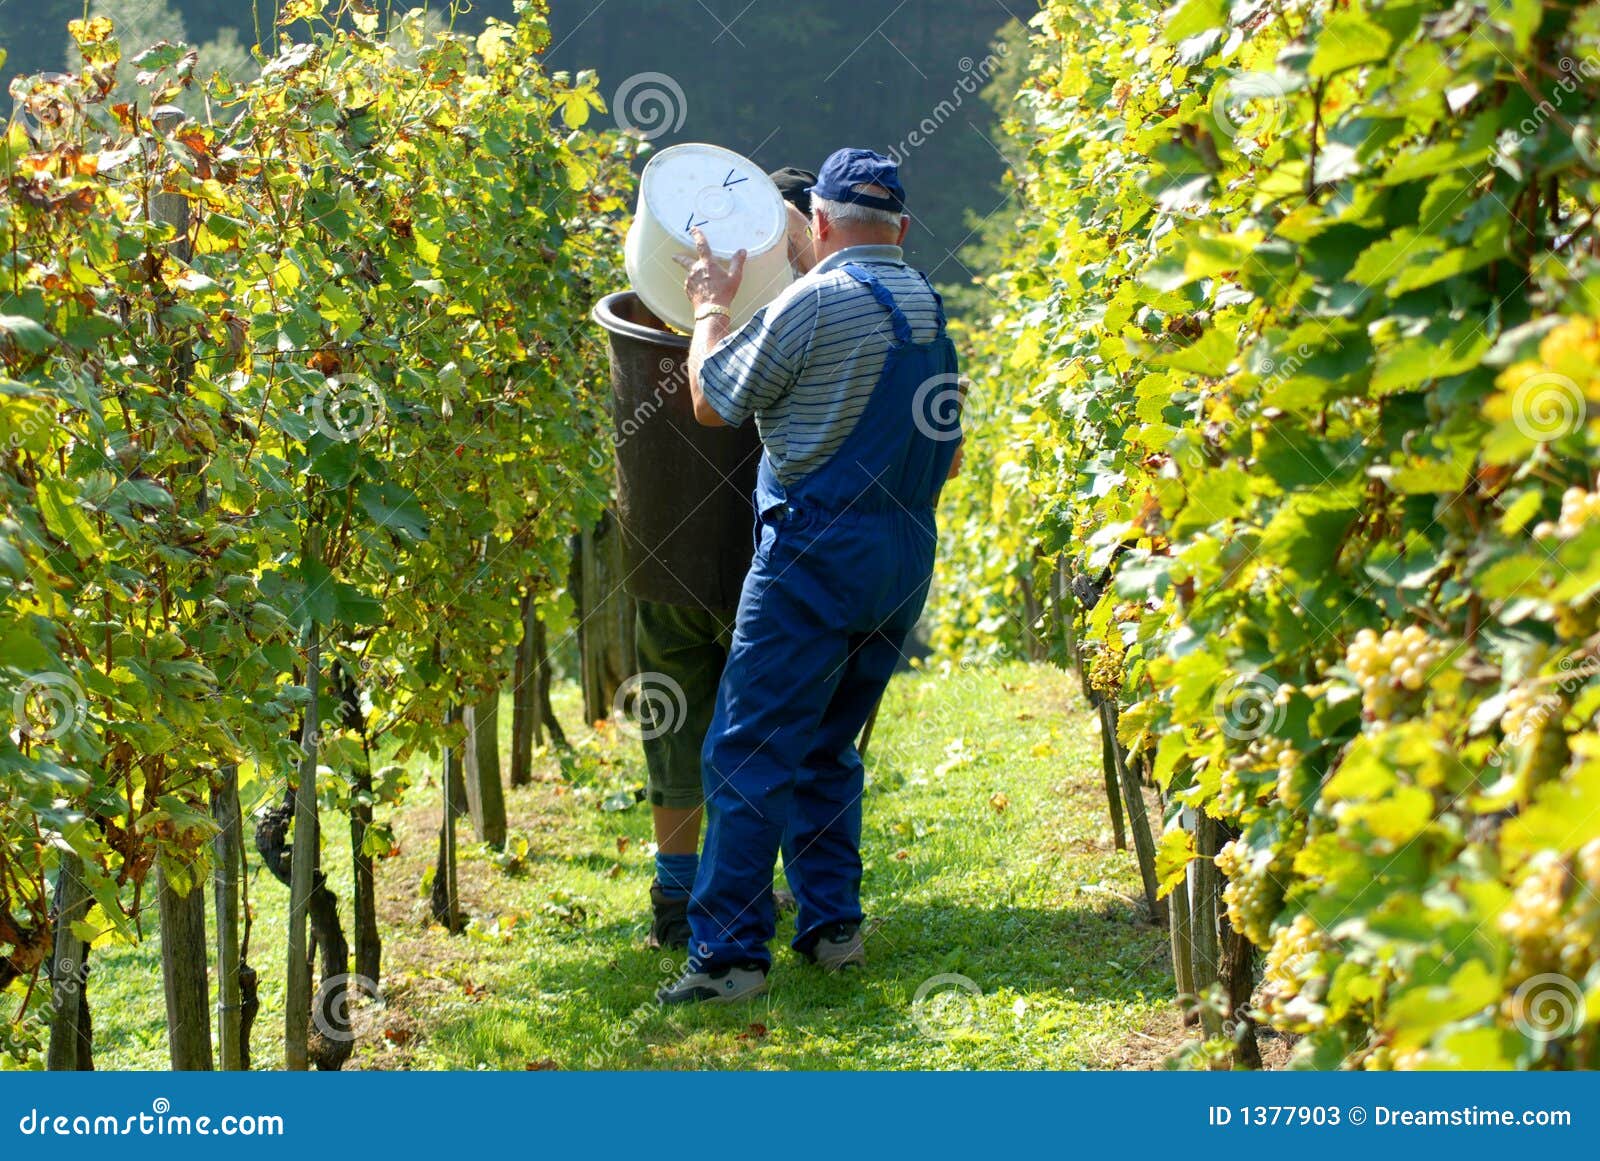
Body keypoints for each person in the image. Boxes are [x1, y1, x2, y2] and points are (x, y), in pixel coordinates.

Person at [658, 149, 962, 1004]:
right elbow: (952, 447)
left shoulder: (814, 300)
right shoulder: (927, 306)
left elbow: (714, 396)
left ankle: (728, 957)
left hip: (813, 554)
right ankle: (834, 927)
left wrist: (712, 307)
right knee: (829, 744)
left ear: (820, 223)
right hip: (902, 553)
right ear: (900, 228)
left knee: (749, 749)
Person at [632, 167, 817, 950]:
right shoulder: (808, 322)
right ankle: (767, 888)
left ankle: (681, 898)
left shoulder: (664, 308)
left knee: (675, 723)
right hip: (768, 560)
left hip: (666, 539)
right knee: (775, 726)